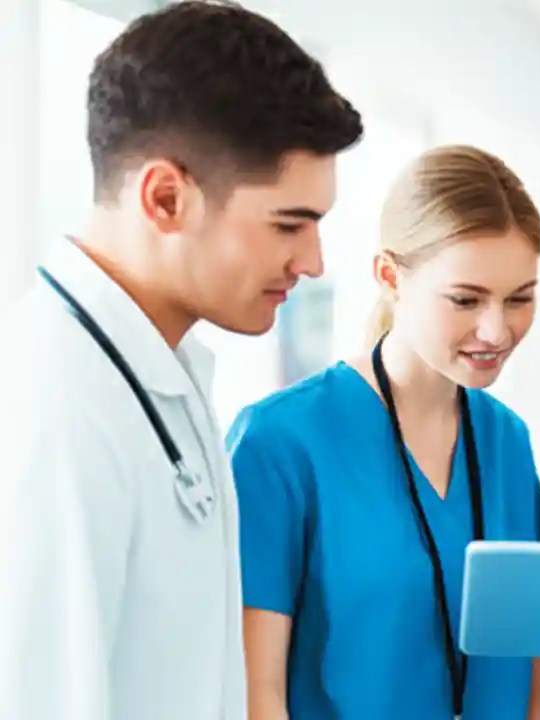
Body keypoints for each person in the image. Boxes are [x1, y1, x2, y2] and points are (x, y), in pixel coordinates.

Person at [0, 2, 363, 719]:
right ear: (166, 198)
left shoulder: (157, 371)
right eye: (289, 225)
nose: (313, 262)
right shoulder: (53, 409)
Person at [226, 144, 540, 720]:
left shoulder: (505, 440)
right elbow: (258, 692)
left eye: (519, 299)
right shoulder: (280, 443)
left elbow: (533, 668)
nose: (496, 330)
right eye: (465, 299)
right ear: (389, 276)